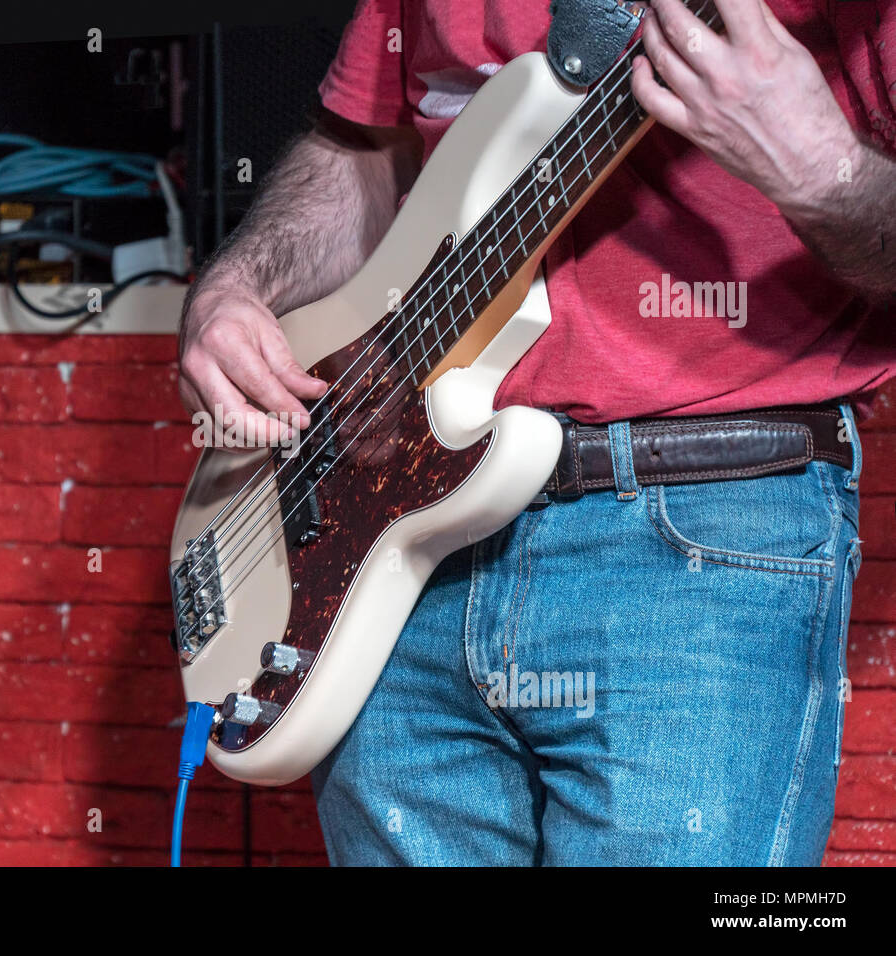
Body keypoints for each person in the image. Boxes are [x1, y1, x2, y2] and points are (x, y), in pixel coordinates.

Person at [176, 0, 896, 865]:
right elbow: (361, 145)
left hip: (701, 548)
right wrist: (233, 286)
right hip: (390, 539)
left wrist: (827, 174)